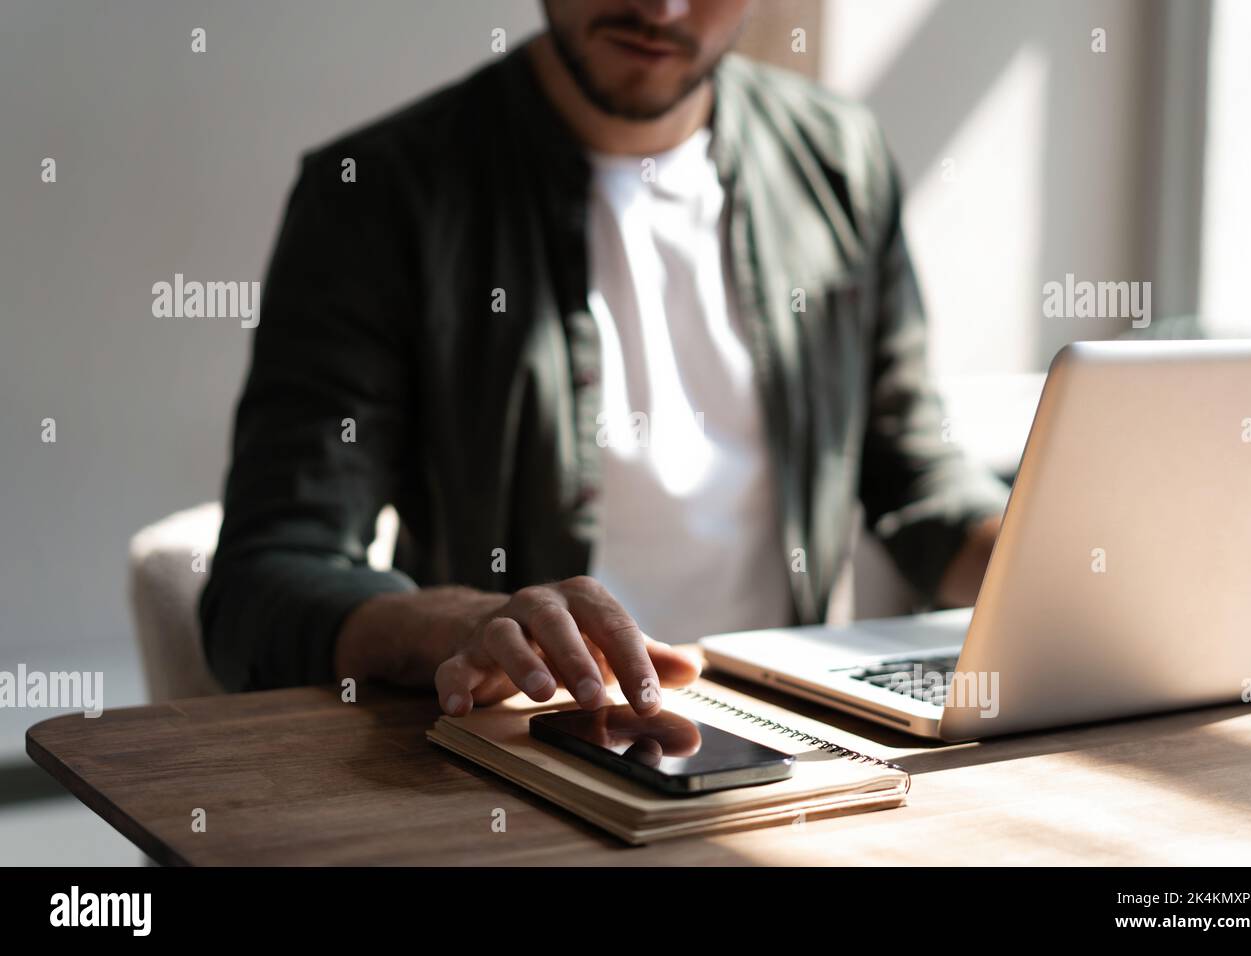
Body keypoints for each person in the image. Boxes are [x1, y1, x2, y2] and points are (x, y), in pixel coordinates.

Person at [200, 0, 1008, 720]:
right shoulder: (376, 197)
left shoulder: (840, 159)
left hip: (791, 741)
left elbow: (913, 473)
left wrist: (1059, 561)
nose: (660, 8)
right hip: (523, 744)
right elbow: (263, 582)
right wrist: (461, 624)